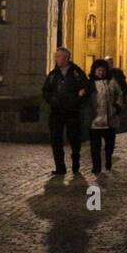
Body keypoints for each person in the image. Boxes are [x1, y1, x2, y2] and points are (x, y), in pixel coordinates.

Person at [42, 47, 89, 175]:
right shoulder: (53, 74)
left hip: (72, 111)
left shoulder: (76, 72)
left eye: (58, 57)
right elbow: (45, 90)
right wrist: (52, 100)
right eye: (55, 56)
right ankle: (60, 167)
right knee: (56, 139)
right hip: (57, 111)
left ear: (66, 58)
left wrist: (78, 98)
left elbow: (85, 87)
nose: (56, 59)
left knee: (74, 136)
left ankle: (75, 160)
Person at [87, 58, 125, 173]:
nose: (101, 73)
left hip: (110, 120)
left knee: (110, 145)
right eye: (99, 70)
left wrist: (117, 107)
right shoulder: (90, 84)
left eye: (103, 70)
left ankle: (108, 160)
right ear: (94, 71)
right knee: (95, 146)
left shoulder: (112, 82)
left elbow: (120, 94)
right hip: (95, 121)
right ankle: (96, 166)